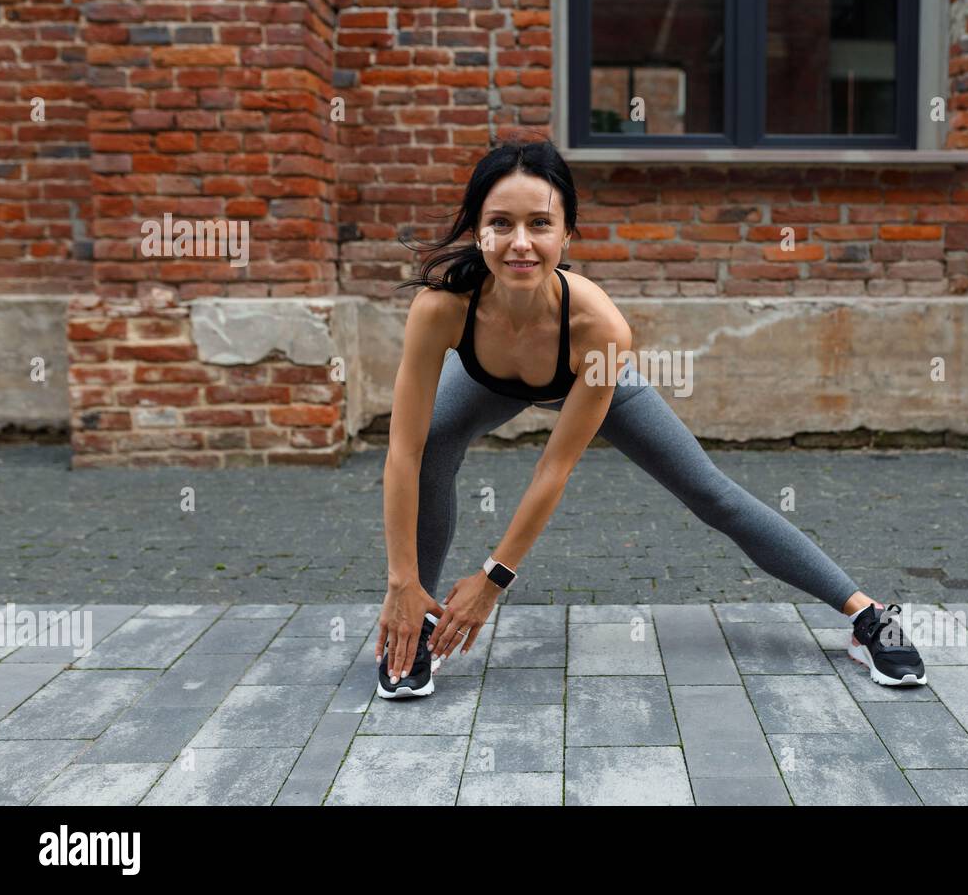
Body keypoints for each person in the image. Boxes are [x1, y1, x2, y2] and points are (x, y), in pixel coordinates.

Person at [375, 138, 925, 699]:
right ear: (478, 231)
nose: (520, 242)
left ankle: (867, 616)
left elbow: (554, 468)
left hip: (588, 375)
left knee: (711, 492)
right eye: (501, 223)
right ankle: (414, 620)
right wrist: (401, 582)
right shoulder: (441, 309)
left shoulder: (600, 327)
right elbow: (403, 450)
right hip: (485, 376)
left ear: (566, 235)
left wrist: (493, 579)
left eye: (540, 223)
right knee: (432, 444)